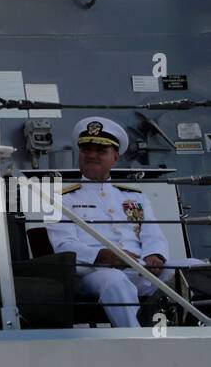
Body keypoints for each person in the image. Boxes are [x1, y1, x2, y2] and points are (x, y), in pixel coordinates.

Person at [48, 116, 208, 328]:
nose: (92, 156)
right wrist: (104, 256)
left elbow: (152, 233)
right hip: (95, 274)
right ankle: (136, 340)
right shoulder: (59, 199)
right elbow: (64, 244)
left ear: (115, 157)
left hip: (141, 268)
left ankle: (197, 332)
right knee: (114, 281)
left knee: (195, 267)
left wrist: (155, 255)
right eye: (87, 150)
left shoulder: (133, 197)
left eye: (100, 151)